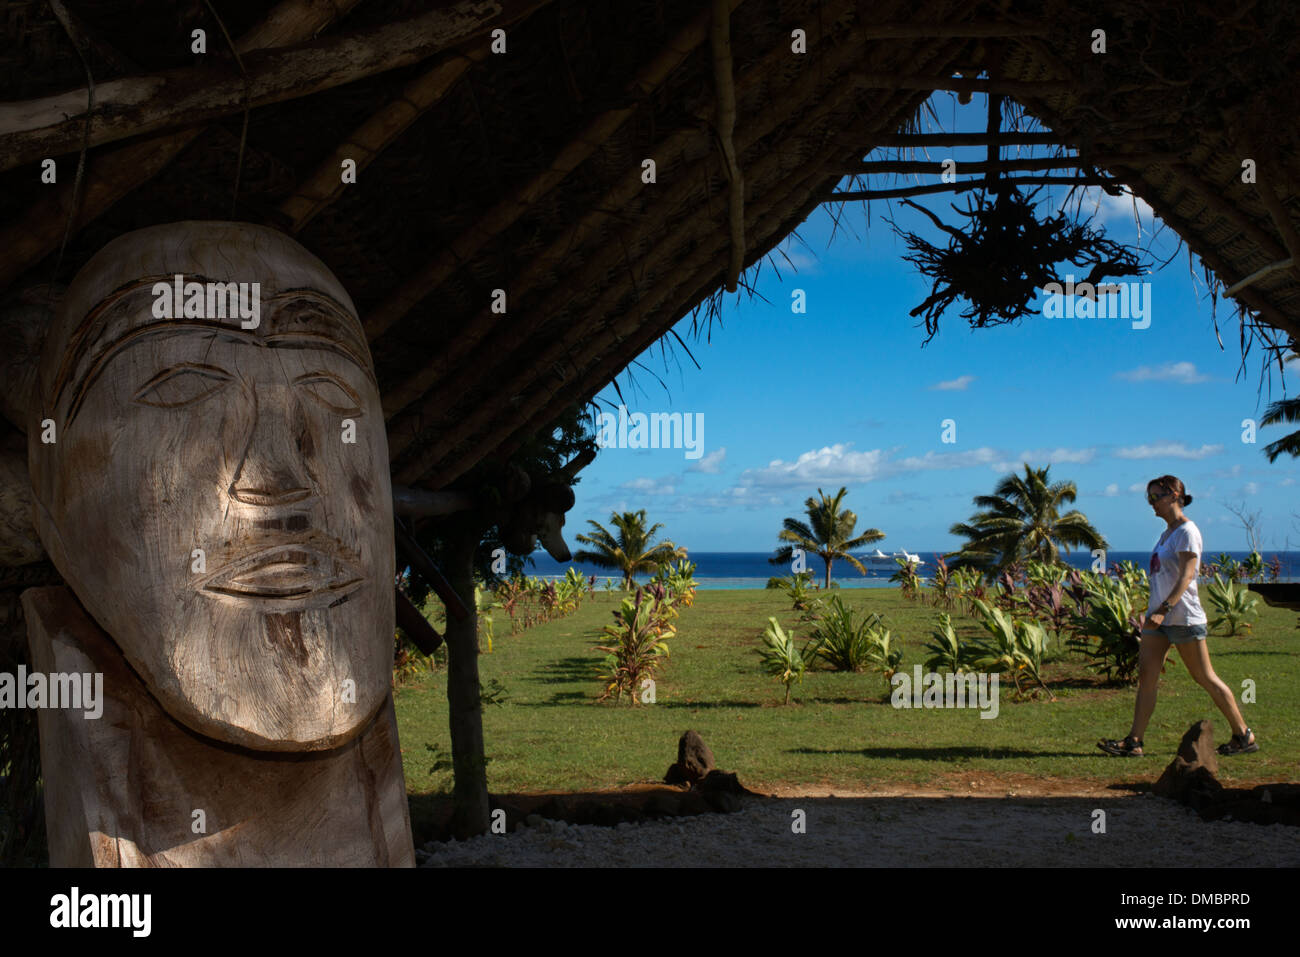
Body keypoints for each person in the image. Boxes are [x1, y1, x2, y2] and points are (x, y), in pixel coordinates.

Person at [1098, 475, 1258, 757]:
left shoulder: (1187, 531)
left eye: (1155, 497)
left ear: (1174, 495)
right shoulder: (1166, 534)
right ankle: (1134, 741)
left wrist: (1164, 609)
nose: (1151, 504)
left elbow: (1187, 576)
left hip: (1182, 618)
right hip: (1157, 620)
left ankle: (1243, 734)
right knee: (1146, 678)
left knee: (1205, 677)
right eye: (1149, 499)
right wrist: (1153, 613)